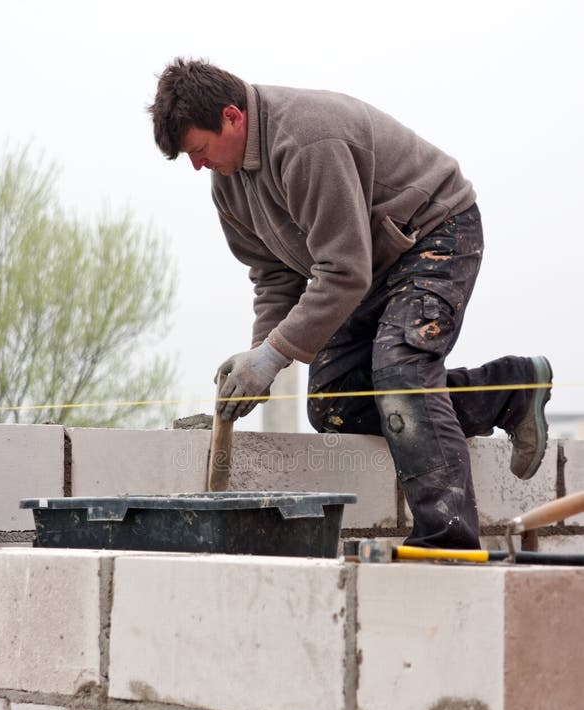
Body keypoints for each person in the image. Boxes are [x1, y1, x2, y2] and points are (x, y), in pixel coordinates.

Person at [149, 58, 552, 549]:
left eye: (199, 149)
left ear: (232, 117)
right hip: (371, 265)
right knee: (334, 402)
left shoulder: (304, 140)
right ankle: (509, 392)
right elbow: (276, 275)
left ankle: (448, 538)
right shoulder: (228, 184)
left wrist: (277, 354)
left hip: (432, 230)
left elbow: (343, 270)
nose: (197, 164)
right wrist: (262, 355)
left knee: (401, 368)